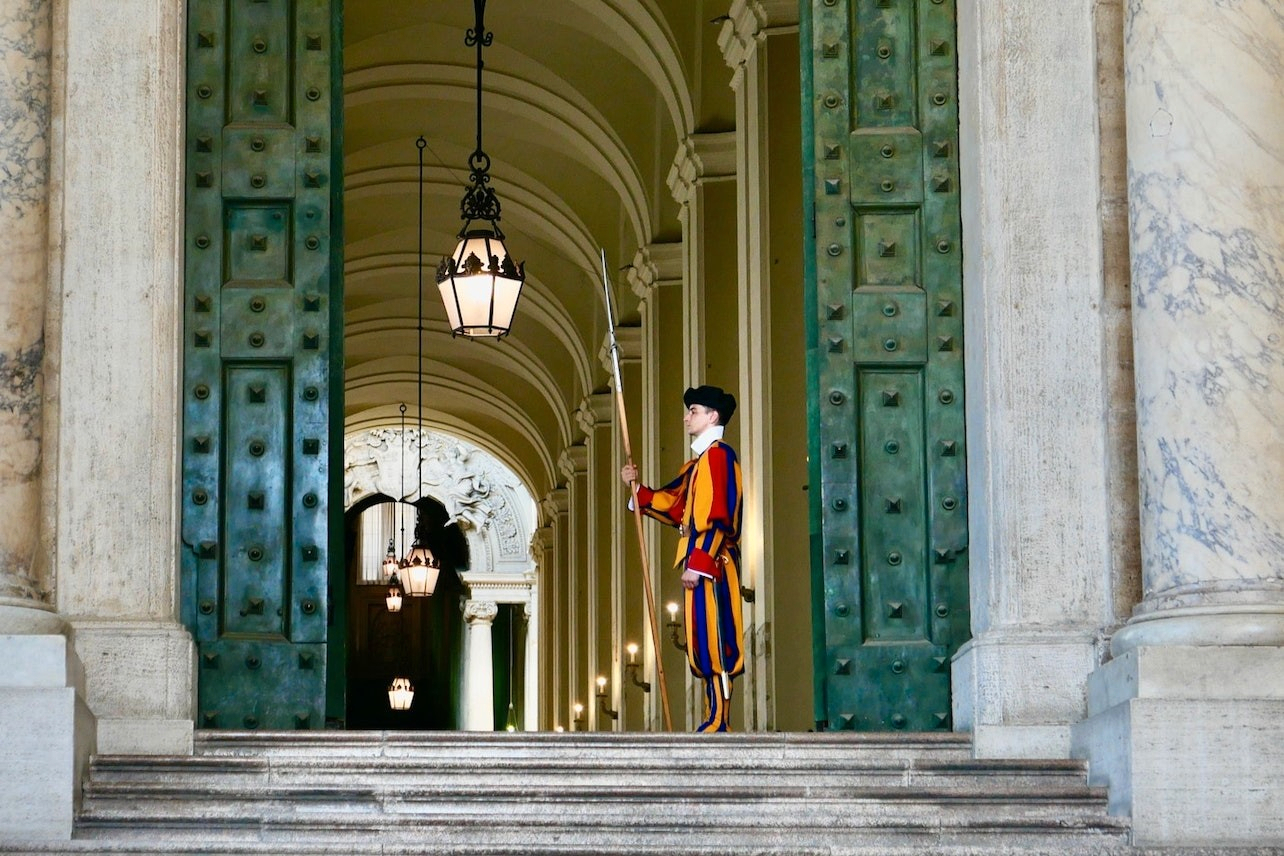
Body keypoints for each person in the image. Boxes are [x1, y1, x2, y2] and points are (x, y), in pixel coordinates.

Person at [621, 385, 745, 732]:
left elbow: (720, 514)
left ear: (713, 416)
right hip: (700, 563)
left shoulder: (719, 456)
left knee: (718, 640)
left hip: (714, 563)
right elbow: (676, 505)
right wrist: (637, 489)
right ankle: (712, 714)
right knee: (701, 641)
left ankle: (721, 718)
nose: (687, 416)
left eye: (694, 410)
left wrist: (700, 562)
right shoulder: (700, 463)